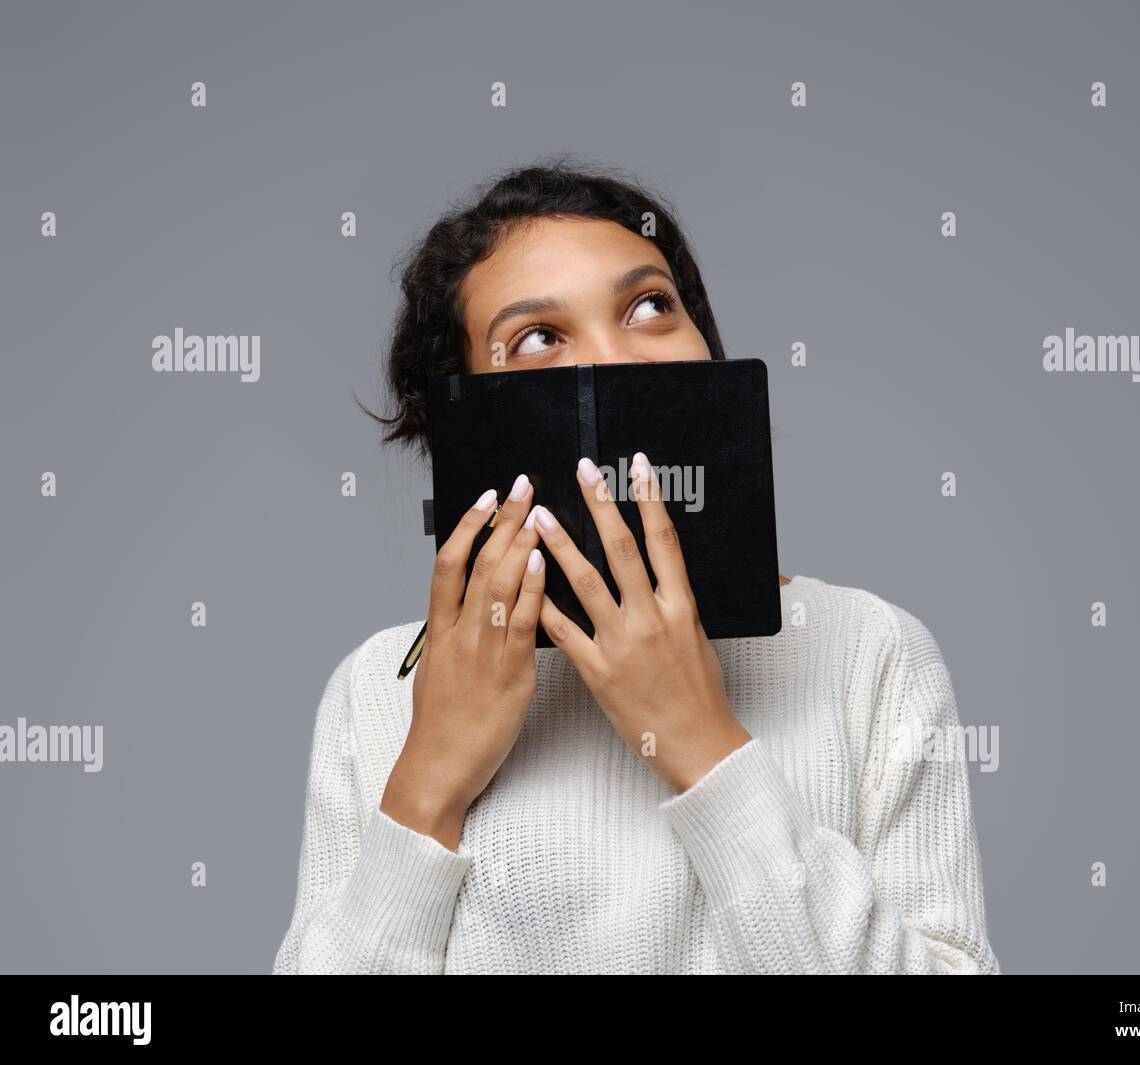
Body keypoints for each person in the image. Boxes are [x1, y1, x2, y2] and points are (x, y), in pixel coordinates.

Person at [271, 156, 1000, 974]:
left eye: (650, 304)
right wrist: (432, 772)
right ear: (463, 420)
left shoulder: (870, 650)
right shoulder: (378, 689)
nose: (617, 359)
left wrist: (700, 740)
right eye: (537, 338)